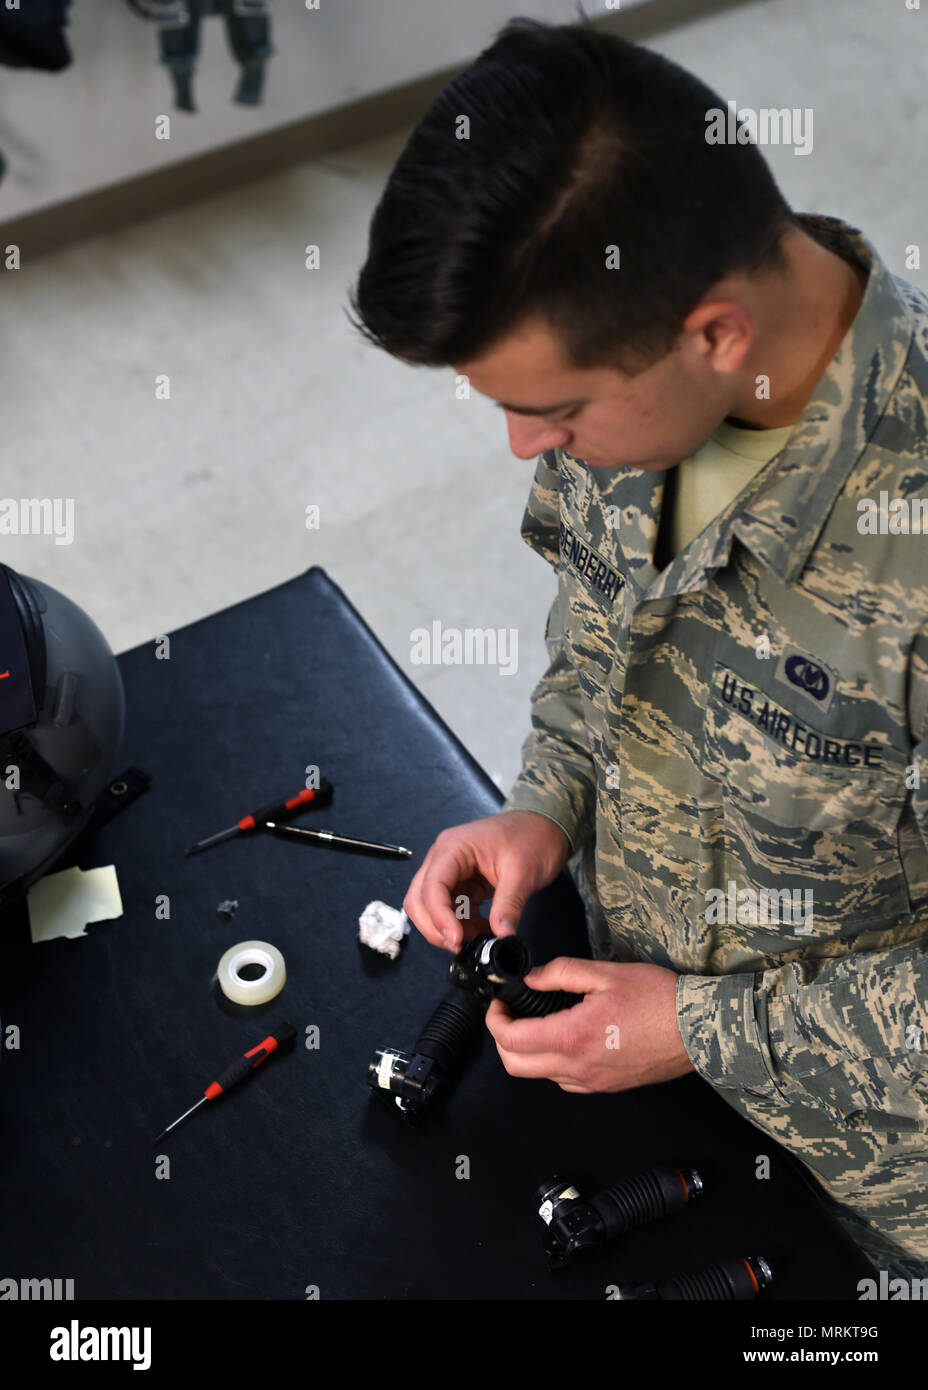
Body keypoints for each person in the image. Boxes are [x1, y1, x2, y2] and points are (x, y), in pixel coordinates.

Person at [347, 15, 928, 1280]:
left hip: (876, 1193)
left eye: (547, 409)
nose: (520, 447)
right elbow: (601, 626)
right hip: (637, 1065)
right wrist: (545, 800)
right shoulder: (643, 399)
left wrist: (708, 1031)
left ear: (714, 332)